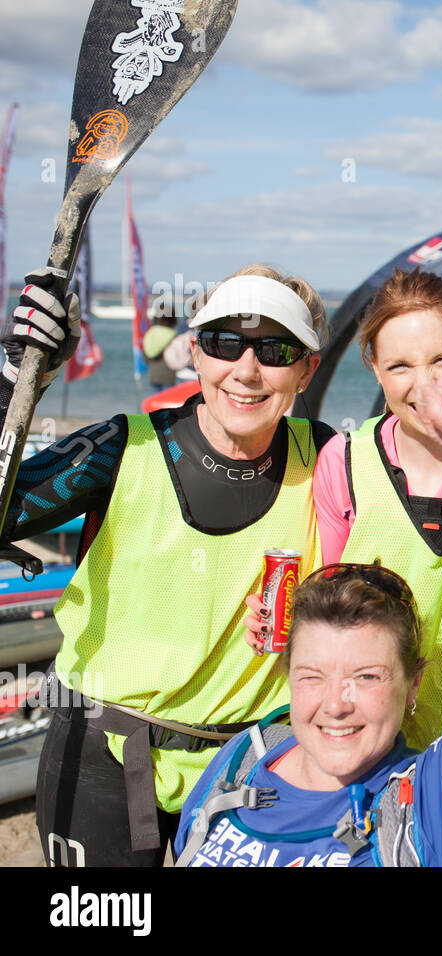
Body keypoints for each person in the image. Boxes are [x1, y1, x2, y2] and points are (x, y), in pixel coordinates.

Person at [2, 264, 333, 866]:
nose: (247, 370)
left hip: (250, 768)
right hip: (102, 756)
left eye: (276, 349)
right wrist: (17, 379)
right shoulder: (123, 447)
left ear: (307, 369)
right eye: (224, 343)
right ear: (196, 354)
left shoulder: (331, 463)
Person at [175, 376, 442, 867]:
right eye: (312, 676)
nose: (336, 704)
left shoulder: (428, 806)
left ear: (413, 687)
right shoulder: (243, 760)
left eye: (366, 677)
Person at [247, 270, 442, 751]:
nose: (425, 386)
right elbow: (331, 605)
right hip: (365, 739)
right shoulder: (345, 462)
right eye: (400, 367)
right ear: (373, 366)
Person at [143, 297, 178, 392]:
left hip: (154, 375)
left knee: (156, 402)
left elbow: (146, 356)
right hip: (169, 376)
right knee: (168, 403)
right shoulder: (173, 335)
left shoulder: (150, 333)